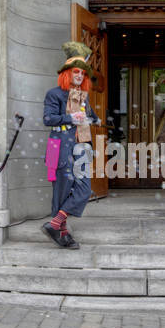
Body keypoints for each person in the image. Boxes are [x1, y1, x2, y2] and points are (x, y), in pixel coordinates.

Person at [42, 42, 95, 249]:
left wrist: (93, 119)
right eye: (76, 72)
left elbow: (91, 116)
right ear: (67, 73)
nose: (80, 76)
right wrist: (70, 117)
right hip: (60, 146)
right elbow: (48, 119)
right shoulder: (54, 94)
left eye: (83, 73)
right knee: (62, 192)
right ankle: (62, 234)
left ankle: (55, 223)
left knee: (83, 189)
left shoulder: (83, 96)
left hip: (81, 146)